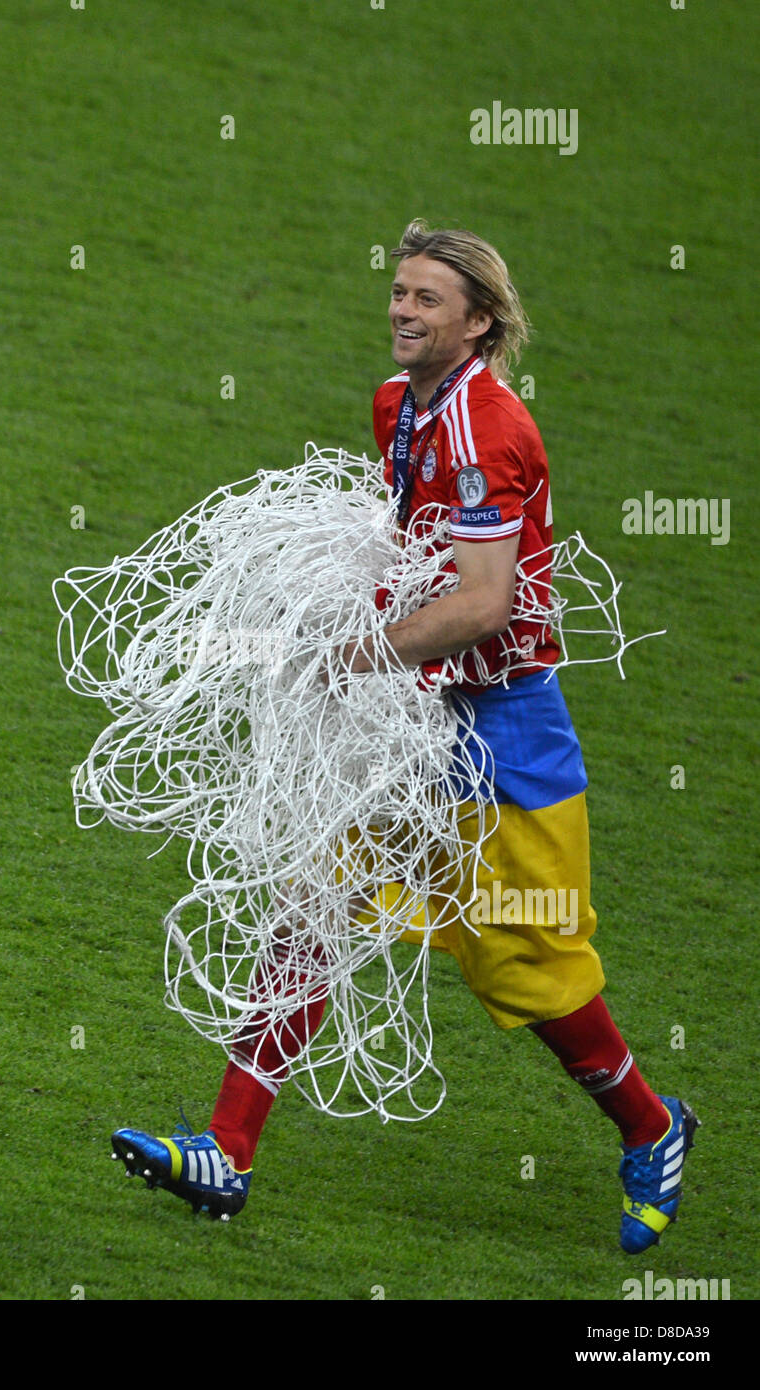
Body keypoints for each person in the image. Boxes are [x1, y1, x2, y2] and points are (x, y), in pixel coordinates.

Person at [111, 220, 697, 1253]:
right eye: (397, 291)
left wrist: (358, 654)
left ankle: (654, 1128)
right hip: (418, 722)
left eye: (427, 299)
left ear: (478, 321)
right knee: (312, 909)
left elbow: (480, 605)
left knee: (529, 970)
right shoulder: (400, 406)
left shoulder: (489, 431)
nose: (401, 310)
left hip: (505, 735)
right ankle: (226, 1153)